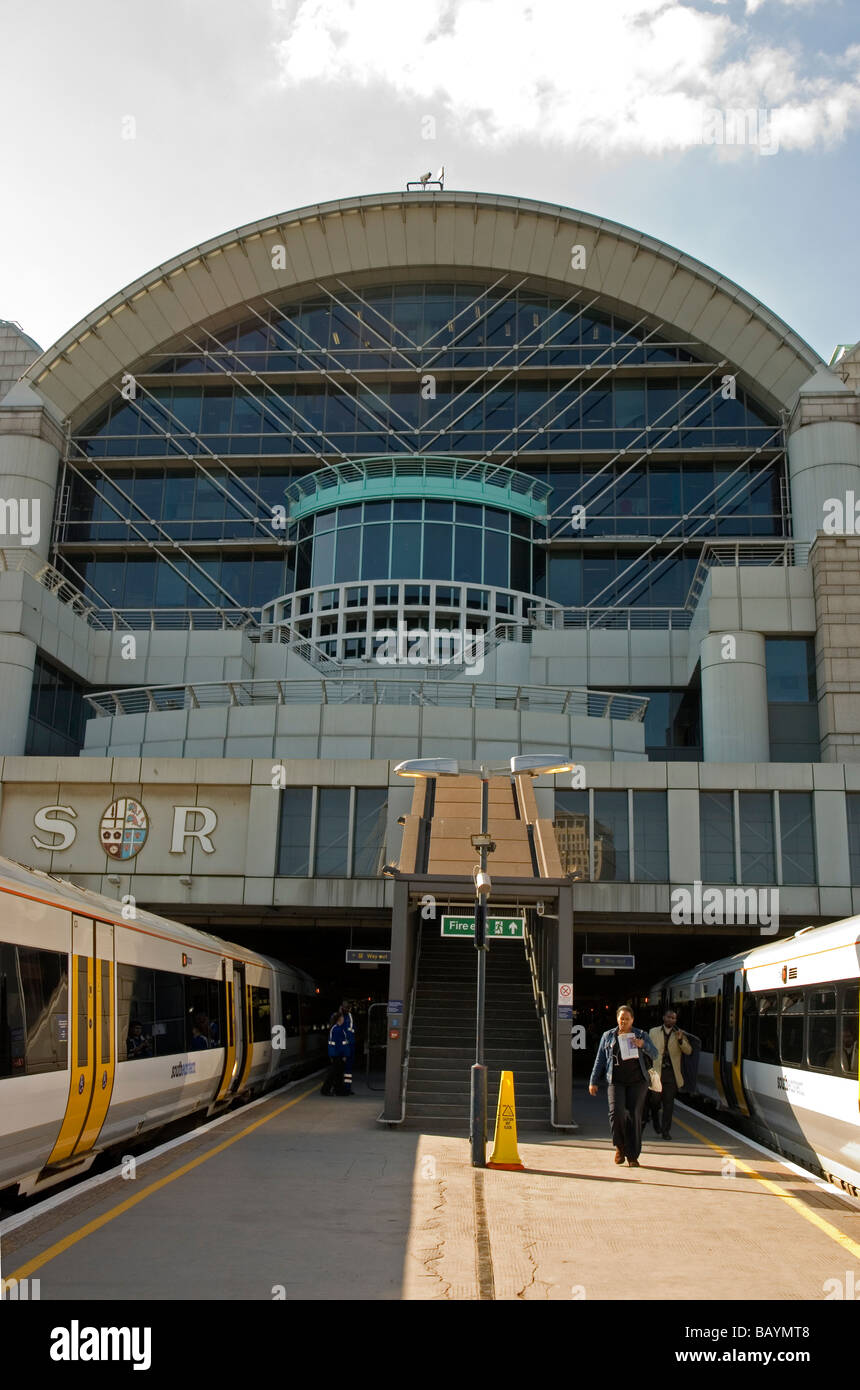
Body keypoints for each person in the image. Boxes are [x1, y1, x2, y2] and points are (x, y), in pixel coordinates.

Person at [588, 1004, 657, 1168]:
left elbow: (655, 1053)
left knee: (634, 1115)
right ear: (617, 1019)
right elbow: (600, 1060)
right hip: (616, 1081)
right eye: (621, 1019)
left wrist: (643, 1045)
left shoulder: (641, 1034)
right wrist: (593, 1081)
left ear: (632, 1019)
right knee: (616, 1113)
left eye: (627, 1019)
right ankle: (620, 1146)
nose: (624, 1022)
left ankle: (633, 1155)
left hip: (638, 1081)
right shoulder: (608, 1036)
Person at [648, 1008, 692, 1139]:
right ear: (663, 1018)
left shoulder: (679, 1034)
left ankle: (666, 1131)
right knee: (655, 1101)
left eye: (674, 1018)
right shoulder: (653, 1032)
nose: (671, 1020)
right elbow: (647, 1049)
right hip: (656, 1073)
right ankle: (655, 1120)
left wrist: (680, 1040)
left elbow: (688, 1051)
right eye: (669, 1017)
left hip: (671, 1075)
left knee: (669, 1104)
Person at [321, 1011, 350, 1096]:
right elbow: (340, 1044)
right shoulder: (337, 1029)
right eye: (342, 1017)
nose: (343, 1019)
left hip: (336, 1054)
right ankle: (326, 1090)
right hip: (338, 1054)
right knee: (334, 1073)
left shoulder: (337, 1028)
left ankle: (338, 1090)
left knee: (337, 1073)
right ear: (339, 1019)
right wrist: (344, 1055)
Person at [341, 1000, 356, 1094]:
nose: (347, 1009)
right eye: (346, 1007)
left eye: (348, 1007)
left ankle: (347, 1088)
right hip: (345, 1047)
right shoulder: (341, 1017)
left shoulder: (348, 1017)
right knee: (343, 1070)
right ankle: (342, 1088)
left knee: (348, 1071)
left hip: (349, 1047)